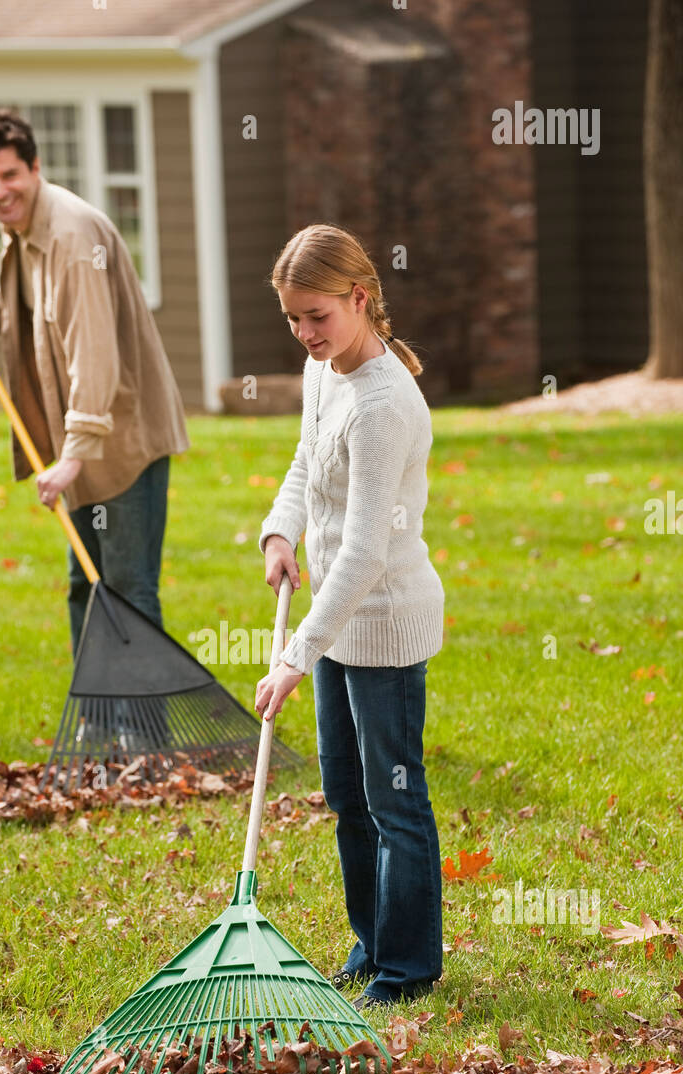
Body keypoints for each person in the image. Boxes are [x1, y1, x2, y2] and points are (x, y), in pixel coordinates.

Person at [255, 224, 445, 1010]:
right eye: (294, 318)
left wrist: (296, 654)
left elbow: (367, 552)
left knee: (394, 797)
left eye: (319, 316)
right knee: (345, 792)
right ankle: (371, 942)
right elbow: (305, 461)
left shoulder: (382, 402)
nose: (306, 334)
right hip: (336, 622)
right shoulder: (323, 370)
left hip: (386, 620)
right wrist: (280, 530)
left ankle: (409, 967)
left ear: (360, 298)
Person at [0, 108, 188, 653]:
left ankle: (143, 732)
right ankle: (99, 724)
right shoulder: (25, 231)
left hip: (121, 439)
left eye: (9, 175)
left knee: (127, 589)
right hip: (79, 437)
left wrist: (73, 457)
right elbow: (51, 319)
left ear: (35, 166)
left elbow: (93, 356)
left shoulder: (72, 238)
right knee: (85, 586)